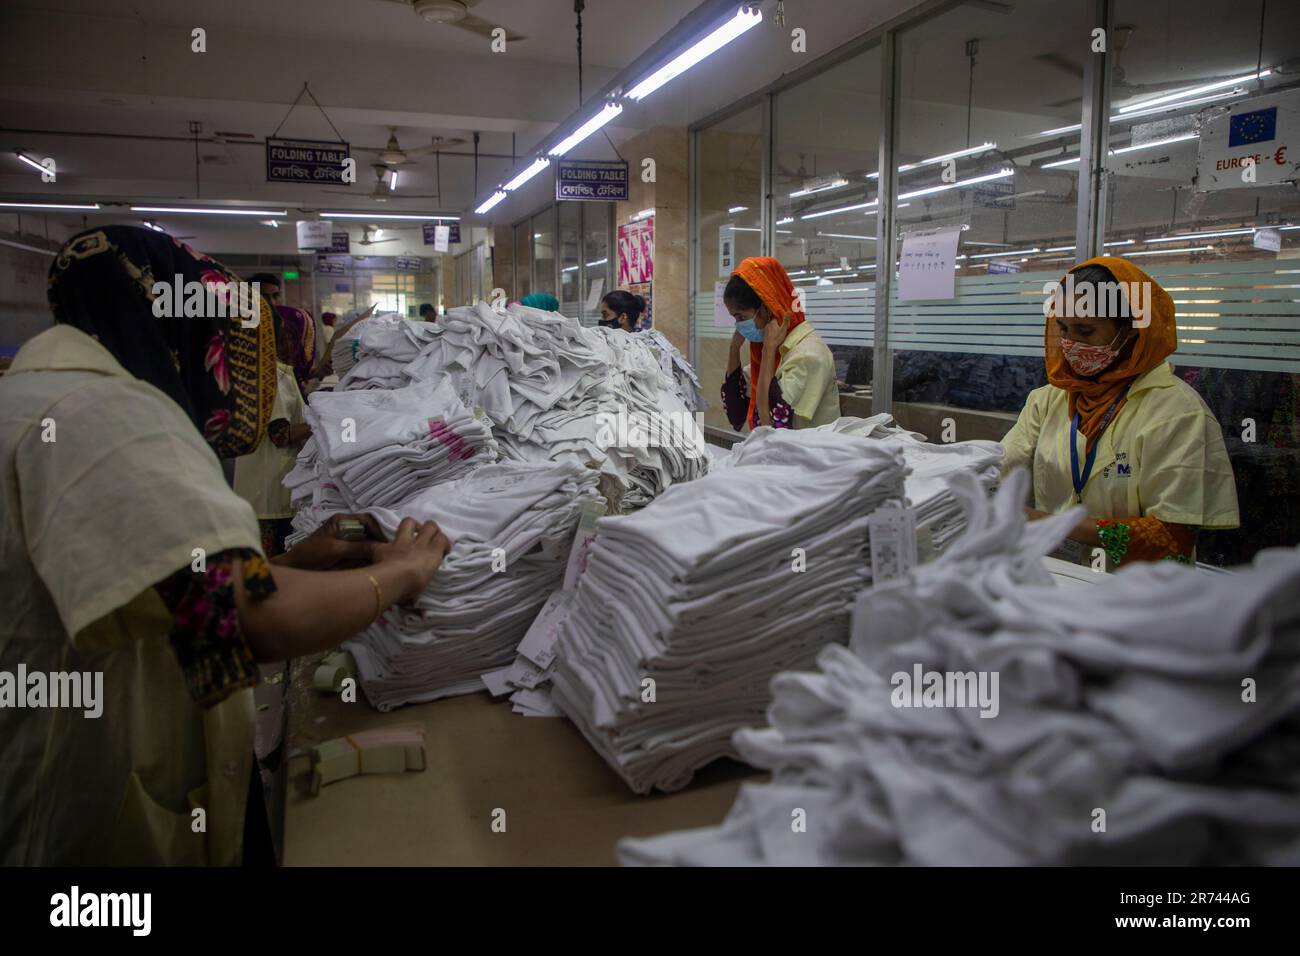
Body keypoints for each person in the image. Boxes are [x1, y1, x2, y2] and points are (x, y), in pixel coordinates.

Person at [0, 226, 450, 865]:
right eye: (233, 348)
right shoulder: (109, 414)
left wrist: (288, 563)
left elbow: (164, 589)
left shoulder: (35, 400)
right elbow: (250, 618)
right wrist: (403, 573)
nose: (239, 376)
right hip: (83, 814)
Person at [1001, 256, 1240, 566]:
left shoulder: (1177, 413)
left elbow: (1171, 537)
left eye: (1085, 332)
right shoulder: (1048, 400)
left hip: (1140, 597)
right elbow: (1000, 466)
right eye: (1063, 329)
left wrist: (1044, 522)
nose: (1070, 344)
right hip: (1057, 579)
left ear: (1129, 330)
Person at [720, 256, 840, 430]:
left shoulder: (808, 356)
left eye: (741, 317)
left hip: (811, 455)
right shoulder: (776, 353)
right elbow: (735, 409)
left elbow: (770, 421)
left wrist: (768, 351)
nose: (739, 326)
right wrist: (734, 348)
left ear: (767, 309)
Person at [234, 333, 311, 557]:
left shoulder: (258, 371)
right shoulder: (274, 376)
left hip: (258, 487)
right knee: (273, 563)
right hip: (270, 490)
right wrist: (323, 422)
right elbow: (279, 435)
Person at [275, 304, 316, 392]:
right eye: (280, 340)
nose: (287, 346)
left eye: (292, 339)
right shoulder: (276, 377)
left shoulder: (289, 372)